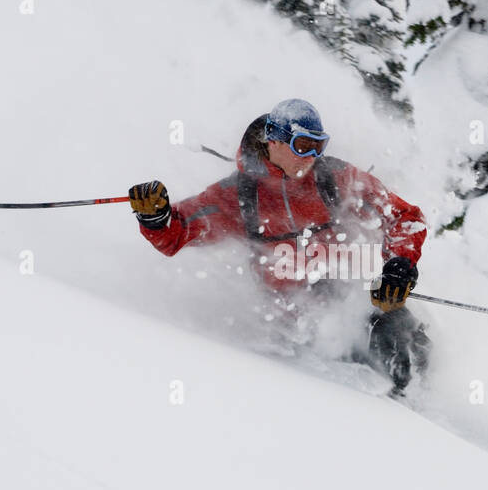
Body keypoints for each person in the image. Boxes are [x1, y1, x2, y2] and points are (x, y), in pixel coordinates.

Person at [129, 99, 430, 394]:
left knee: (403, 342)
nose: (311, 156)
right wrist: (156, 218)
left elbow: (405, 217)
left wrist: (399, 264)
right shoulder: (240, 195)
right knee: (341, 378)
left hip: (350, 297)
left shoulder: (334, 179)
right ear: (274, 140)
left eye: (319, 145)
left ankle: (427, 411)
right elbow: (177, 233)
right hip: (294, 323)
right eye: (302, 146)